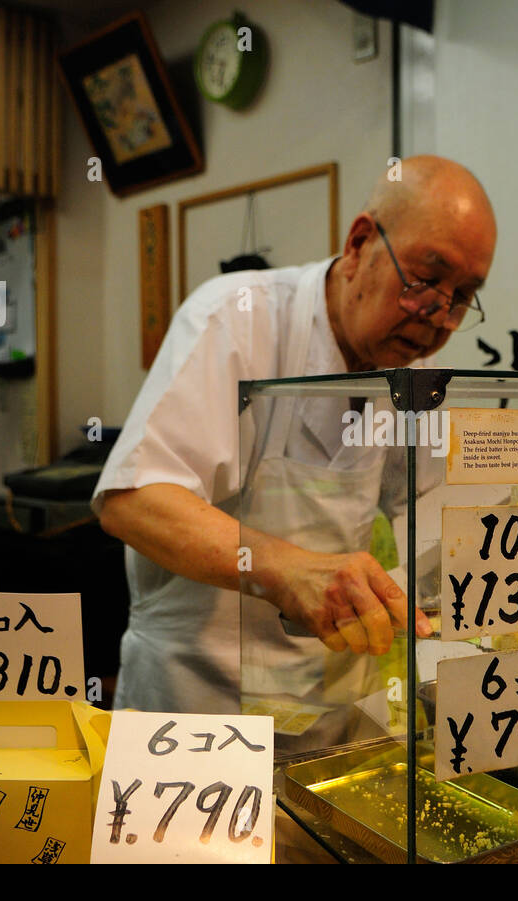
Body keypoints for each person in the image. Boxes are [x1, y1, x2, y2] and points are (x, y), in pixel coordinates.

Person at [94, 155, 497, 715]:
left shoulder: (409, 375)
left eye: (462, 296)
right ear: (359, 244)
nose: (438, 317)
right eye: (427, 280)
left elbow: (445, 509)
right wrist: (287, 570)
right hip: (198, 703)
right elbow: (133, 500)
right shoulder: (237, 317)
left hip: (333, 708)